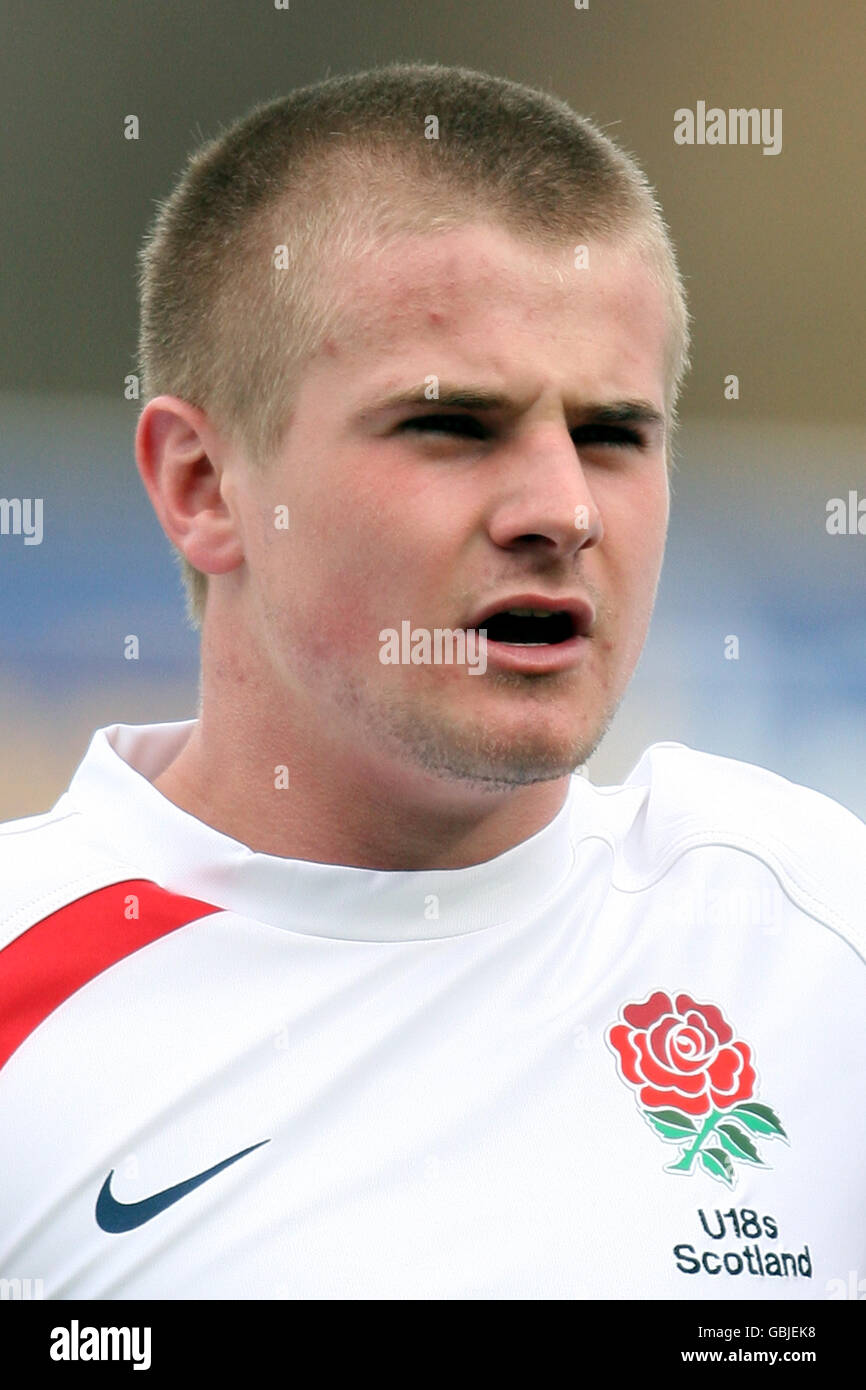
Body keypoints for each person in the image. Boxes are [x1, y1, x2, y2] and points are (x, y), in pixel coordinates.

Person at [1, 62, 863, 1301]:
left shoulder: (811, 931)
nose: (561, 511)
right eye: (451, 425)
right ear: (202, 486)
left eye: (613, 433)